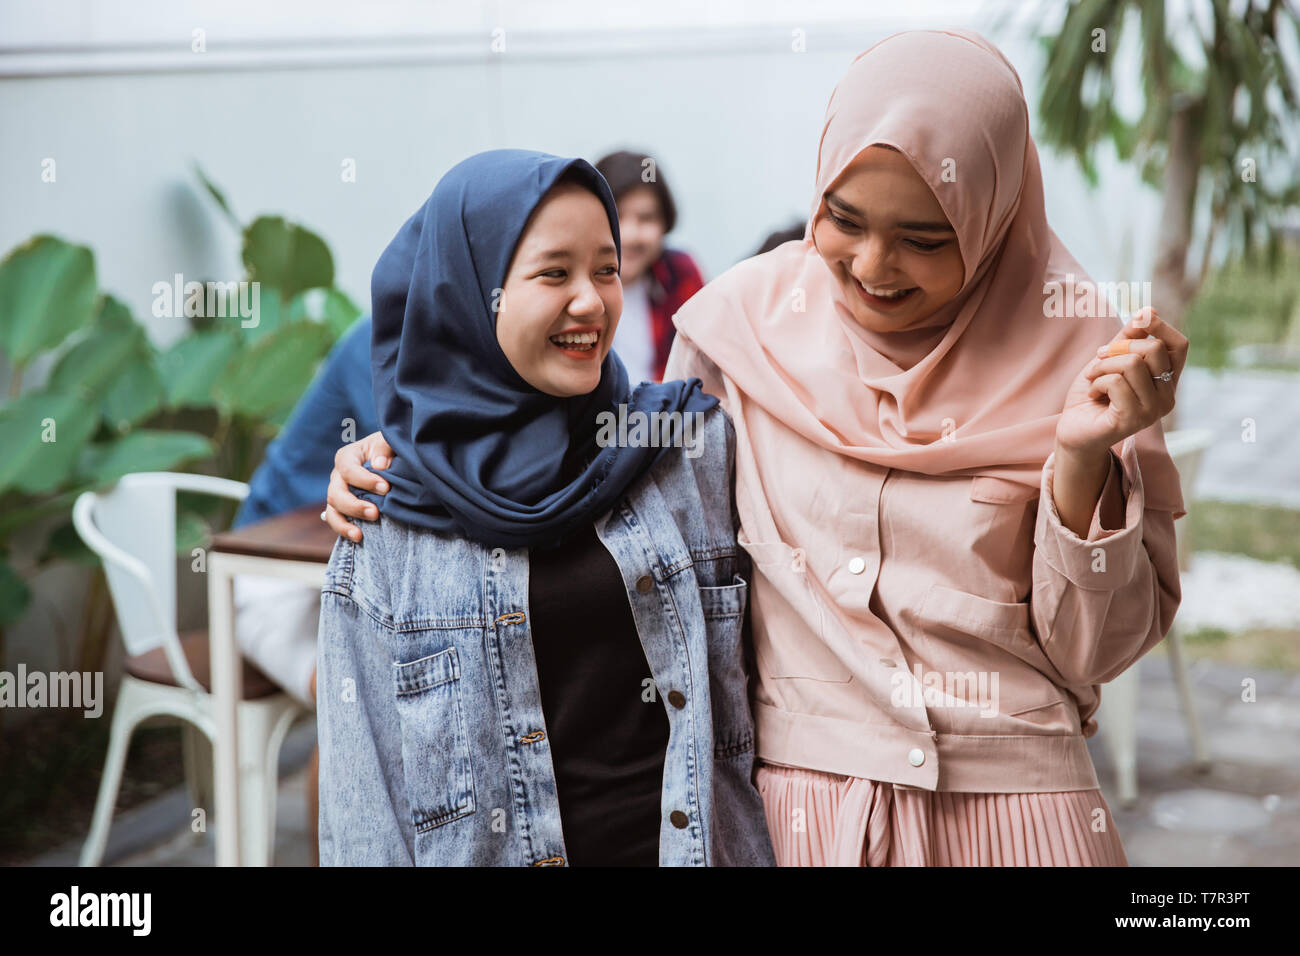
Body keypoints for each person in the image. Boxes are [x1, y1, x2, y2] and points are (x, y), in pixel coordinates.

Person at [326, 31, 1189, 867]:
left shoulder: (1084, 359)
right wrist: (409, 467)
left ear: (994, 215)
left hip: (1016, 810)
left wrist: (1081, 463)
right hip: (805, 818)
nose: (872, 266)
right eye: (842, 220)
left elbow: (1094, 653)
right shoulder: (743, 332)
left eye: (925, 238)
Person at [314, 149, 775, 867]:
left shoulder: (685, 448)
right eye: (553, 273)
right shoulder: (385, 517)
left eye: (606, 268)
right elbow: (363, 813)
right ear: (468, 293)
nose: (591, 301)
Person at [228, 314, 377, 865]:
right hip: (272, 581)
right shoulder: (382, 337)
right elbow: (419, 453)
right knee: (358, 701)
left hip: (338, 574)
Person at [592, 150, 704, 384]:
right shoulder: (572, 285)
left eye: (646, 218)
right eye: (617, 216)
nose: (631, 235)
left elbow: (708, 360)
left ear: (665, 222)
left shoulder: (681, 273)